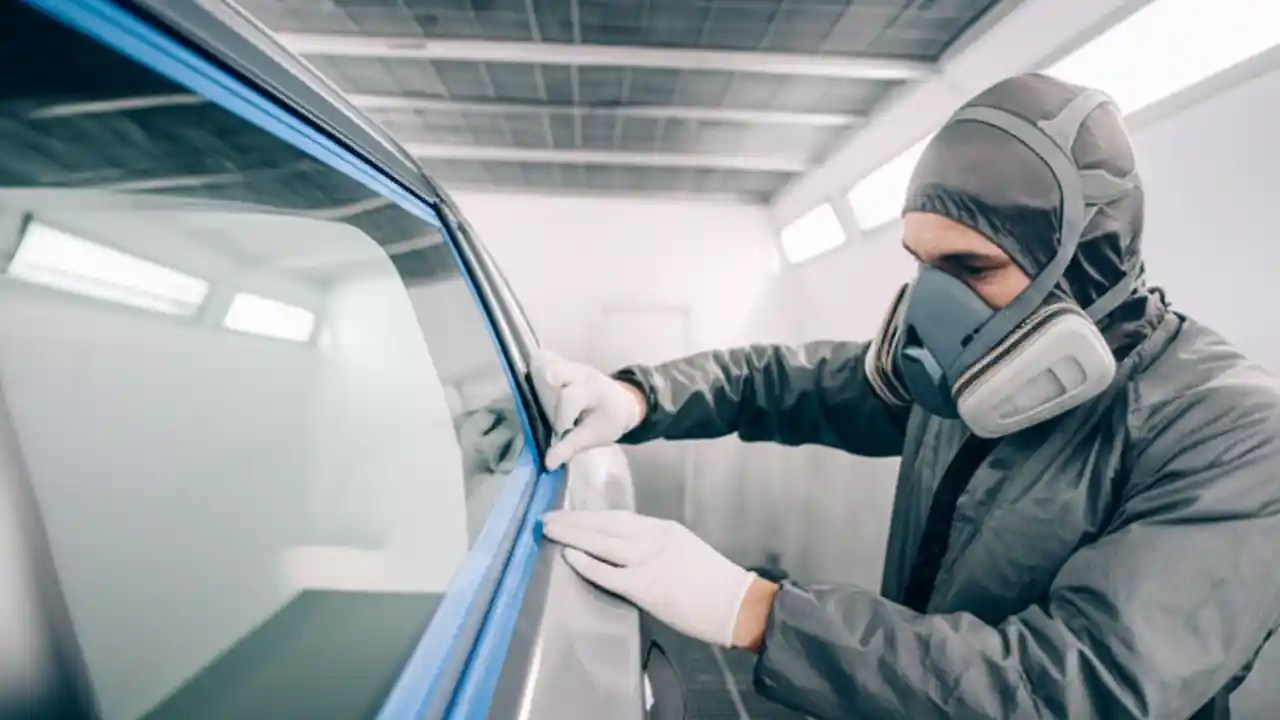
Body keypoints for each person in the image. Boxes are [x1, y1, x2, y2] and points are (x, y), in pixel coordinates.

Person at [530, 73, 1280, 719]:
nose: (934, 310)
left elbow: (1078, 686)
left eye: (971, 268)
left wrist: (759, 611)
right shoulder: (970, 379)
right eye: (922, 264)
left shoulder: (1233, 433)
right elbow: (786, 382)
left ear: (1083, 266)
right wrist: (639, 396)